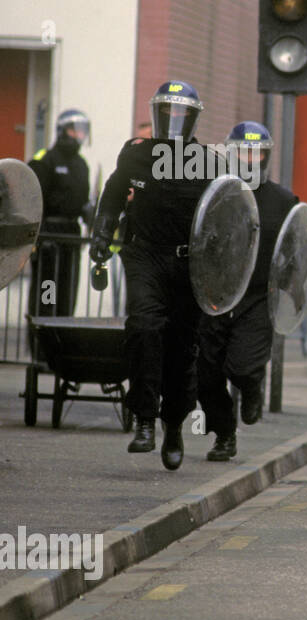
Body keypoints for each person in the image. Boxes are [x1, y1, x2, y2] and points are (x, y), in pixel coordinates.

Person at [88, 81, 216, 470]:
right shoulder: (136, 154)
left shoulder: (208, 162)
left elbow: (228, 215)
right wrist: (101, 234)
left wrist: (225, 273)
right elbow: (112, 195)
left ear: (193, 120)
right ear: (155, 115)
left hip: (188, 266)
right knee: (144, 328)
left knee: (182, 349)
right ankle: (144, 418)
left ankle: (173, 424)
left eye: (181, 115)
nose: (173, 122)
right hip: (144, 256)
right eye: (167, 114)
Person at [197, 122, 299, 461]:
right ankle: (224, 435)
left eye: (256, 152)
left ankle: (252, 387)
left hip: (257, 298)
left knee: (241, 367)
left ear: (265, 156)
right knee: (207, 373)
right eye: (243, 150)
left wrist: (289, 295)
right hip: (216, 294)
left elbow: (295, 251)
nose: (249, 158)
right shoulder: (215, 193)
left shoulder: (284, 200)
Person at [28, 109, 92, 322]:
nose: (79, 136)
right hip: (49, 236)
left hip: (71, 236)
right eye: (75, 131)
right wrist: (37, 236)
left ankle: (62, 342)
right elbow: (33, 200)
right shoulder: (44, 159)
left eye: (82, 131)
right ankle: (41, 341)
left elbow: (81, 199)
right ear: (62, 130)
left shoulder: (81, 165)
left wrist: (88, 211)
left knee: (67, 291)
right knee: (48, 293)